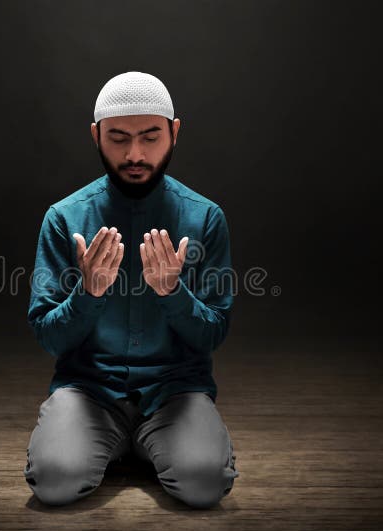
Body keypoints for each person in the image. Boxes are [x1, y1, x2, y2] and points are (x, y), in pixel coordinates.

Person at [24, 71, 239, 508]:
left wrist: (172, 293)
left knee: (203, 484)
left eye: (150, 137)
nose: (135, 154)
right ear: (96, 135)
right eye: (118, 138)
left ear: (174, 132)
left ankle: (152, 444)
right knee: (55, 482)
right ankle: (117, 444)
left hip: (174, 392)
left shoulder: (205, 218)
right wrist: (88, 293)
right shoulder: (64, 219)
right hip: (90, 392)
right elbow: (49, 337)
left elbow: (213, 334)